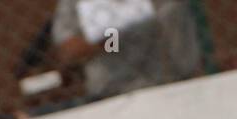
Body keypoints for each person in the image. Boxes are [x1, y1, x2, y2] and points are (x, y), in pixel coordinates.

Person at [52, 0, 203, 101]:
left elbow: (170, 19)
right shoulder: (74, 3)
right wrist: (114, 37)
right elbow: (68, 49)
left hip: (174, 83)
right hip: (114, 93)